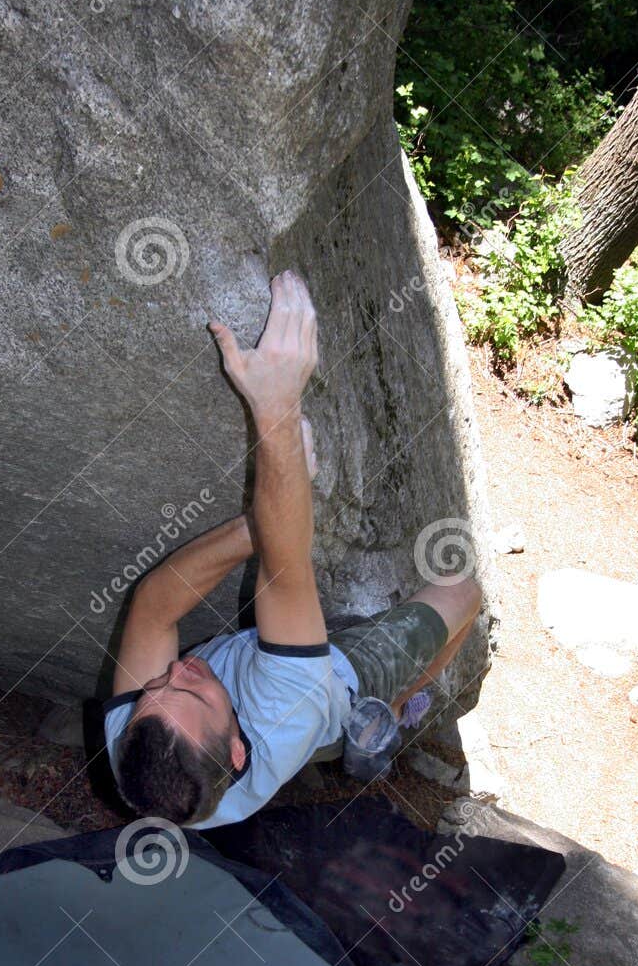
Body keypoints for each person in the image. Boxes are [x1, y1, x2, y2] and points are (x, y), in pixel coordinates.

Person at [103, 271, 482, 829]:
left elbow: (155, 603)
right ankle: (397, 708)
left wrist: (259, 520)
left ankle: (360, 721)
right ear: (236, 750)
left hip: (270, 687)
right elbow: (284, 570)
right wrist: (277, 406)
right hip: (335, 690)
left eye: (154, 687)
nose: (178, 669)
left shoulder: (139, 754)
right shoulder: (287, 708)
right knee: (463, 591)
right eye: (194, 691)